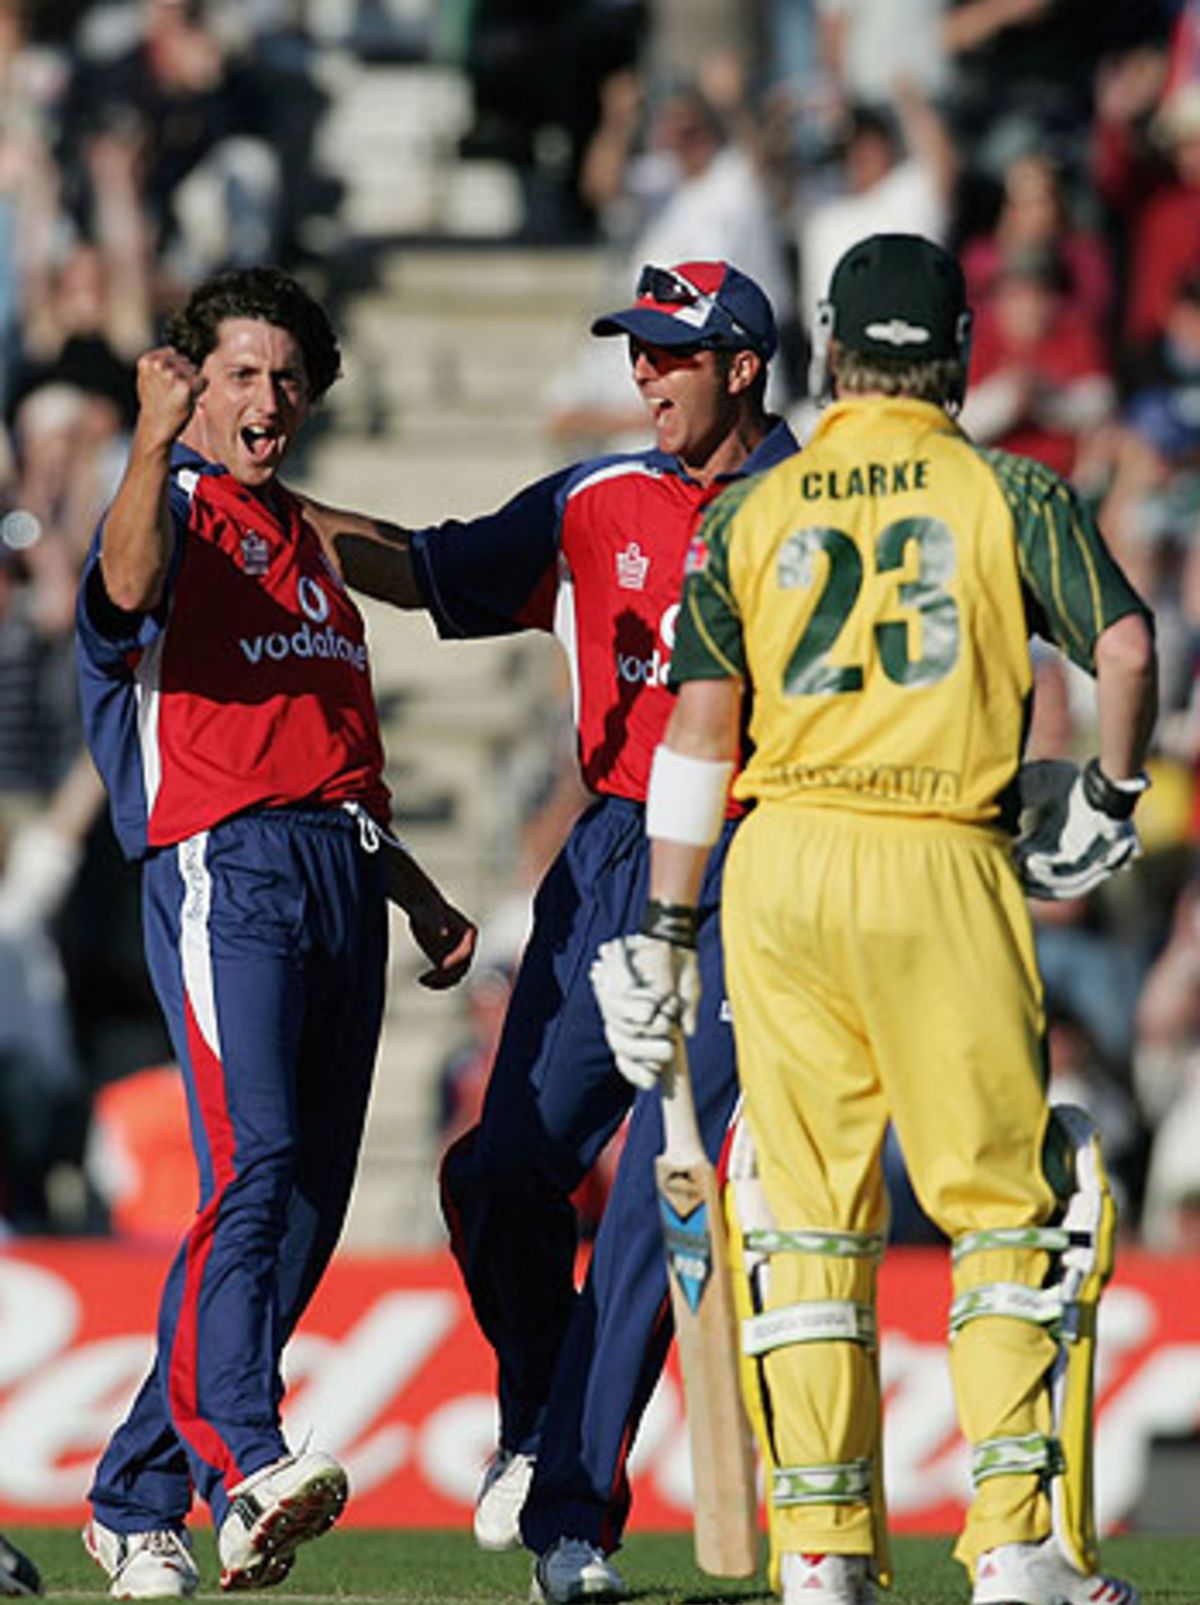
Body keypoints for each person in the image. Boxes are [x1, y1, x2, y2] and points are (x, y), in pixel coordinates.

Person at [590, 234, 1155, 1605]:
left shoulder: (750, 512)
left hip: (779, 867)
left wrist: (668, 930)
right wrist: (1115, 789)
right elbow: (1129, 647)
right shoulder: (1006, 486)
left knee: (800, 1220)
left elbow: (700, 734)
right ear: (957, 349)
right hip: (944, 853)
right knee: (1014, 1204)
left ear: (830, 346)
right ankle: (1016, 1541)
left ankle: (823, 1554)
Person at [304, 260, 799, 1604]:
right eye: (633, 352)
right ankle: (537, 1420)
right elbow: (422, 570)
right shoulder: (597, 499)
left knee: (653, 1194)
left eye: (666, 356)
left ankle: (573, 1524)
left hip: (760, 862)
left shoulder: (813, 508)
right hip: (610, 857)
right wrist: (269, 517)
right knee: (499, 1171)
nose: (640, 377)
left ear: (740, 366)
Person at [74, 266, 476, 1599]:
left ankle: (135, 1501)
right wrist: (148, 432)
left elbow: (329, 741)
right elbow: (120, 594)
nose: (270, 399)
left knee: (302, 1213)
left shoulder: (298, 534)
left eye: (289, 378)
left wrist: (413, 887)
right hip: (222, 868)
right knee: (255, 1162)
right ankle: (244, 1456)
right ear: (192, 380)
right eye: (242, 373)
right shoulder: (168, 510)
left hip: (340, 871)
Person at [0, 1532, 40, 1597]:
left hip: (26, 1584)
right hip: (28, 1581)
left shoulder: (3, 1548)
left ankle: (16, 1590)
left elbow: (14, 1567)